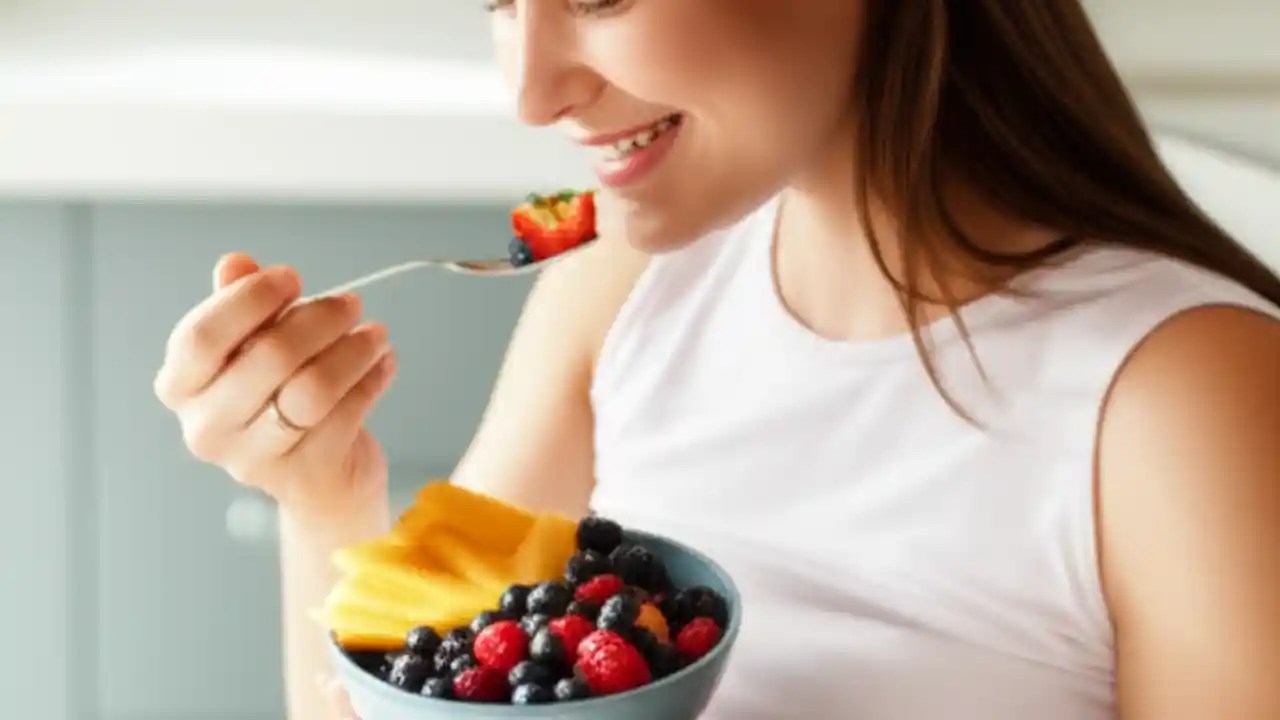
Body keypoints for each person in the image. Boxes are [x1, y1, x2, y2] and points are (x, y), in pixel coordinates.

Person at [153, 2, 1280, 718]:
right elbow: (412, 695)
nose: (531, 89)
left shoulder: (1180, 397)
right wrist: (325, 496)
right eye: (499, 4)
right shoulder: (623, 289)